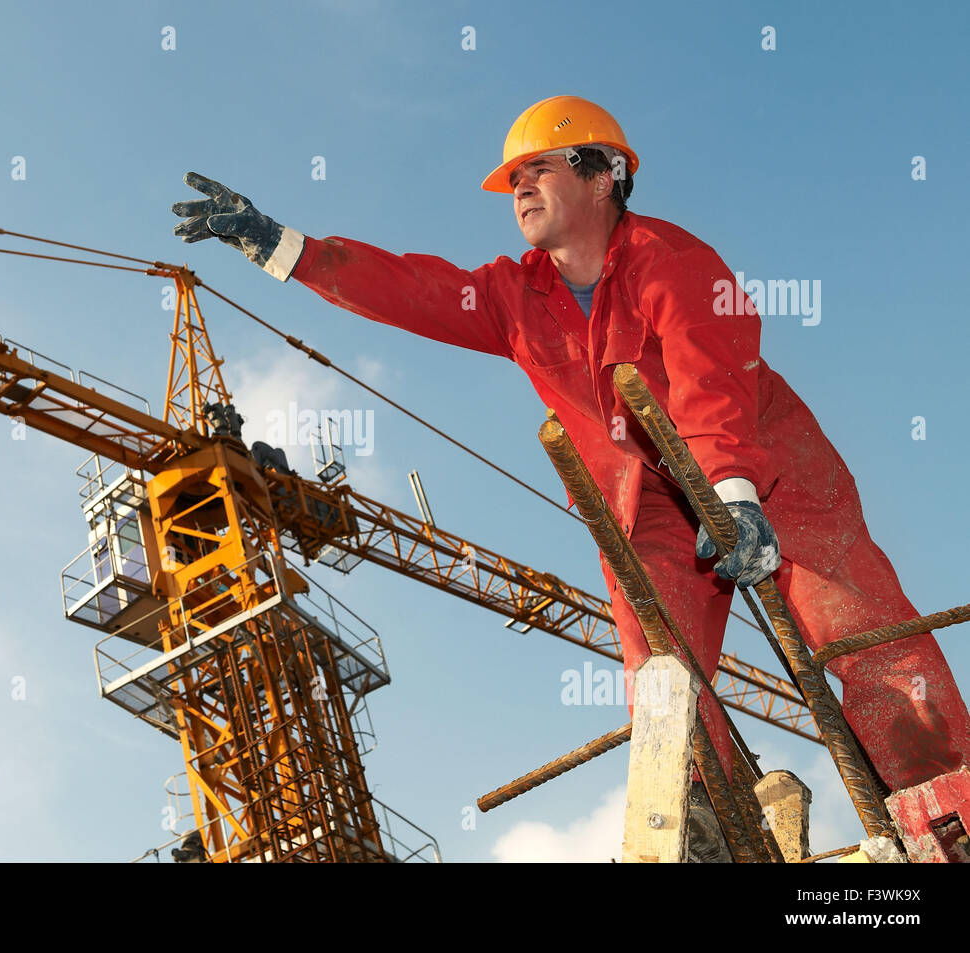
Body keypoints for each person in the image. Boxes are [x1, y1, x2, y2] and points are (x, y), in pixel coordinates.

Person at [171, 95, 970, 854]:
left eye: (539, 170)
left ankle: (947, 811)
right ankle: (712, 824)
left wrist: (732, 491)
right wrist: (284, 245)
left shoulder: (673, 260)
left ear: (603, 175)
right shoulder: (513, 295)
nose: (519, 188)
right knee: (659, 665)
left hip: (764, 463)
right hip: (644, 495)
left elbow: (708, 376)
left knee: (854, 629)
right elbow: (408, 288)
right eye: (512, 180)